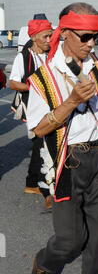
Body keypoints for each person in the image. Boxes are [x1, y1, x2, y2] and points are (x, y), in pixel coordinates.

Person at [27, 2, 98, 274]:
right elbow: (38, 129)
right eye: (85, 37)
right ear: (64, 32)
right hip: (67, 161)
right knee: (70, 241)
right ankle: (44, 262)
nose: (92, 44)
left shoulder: (96, 64)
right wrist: (72, 101)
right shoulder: (44, 76)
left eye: (95, 37)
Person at [9, 16, 53, 209]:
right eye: (45, 37)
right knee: (43, 144)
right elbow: (13, 83)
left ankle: (32, 183)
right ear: (34, 37)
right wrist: (34, 87)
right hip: (33, 107)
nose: (49, 40)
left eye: (50, 36)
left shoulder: (52, 54)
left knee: (41, 144)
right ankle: (46, 191)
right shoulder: (23, 57)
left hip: (51, 107)